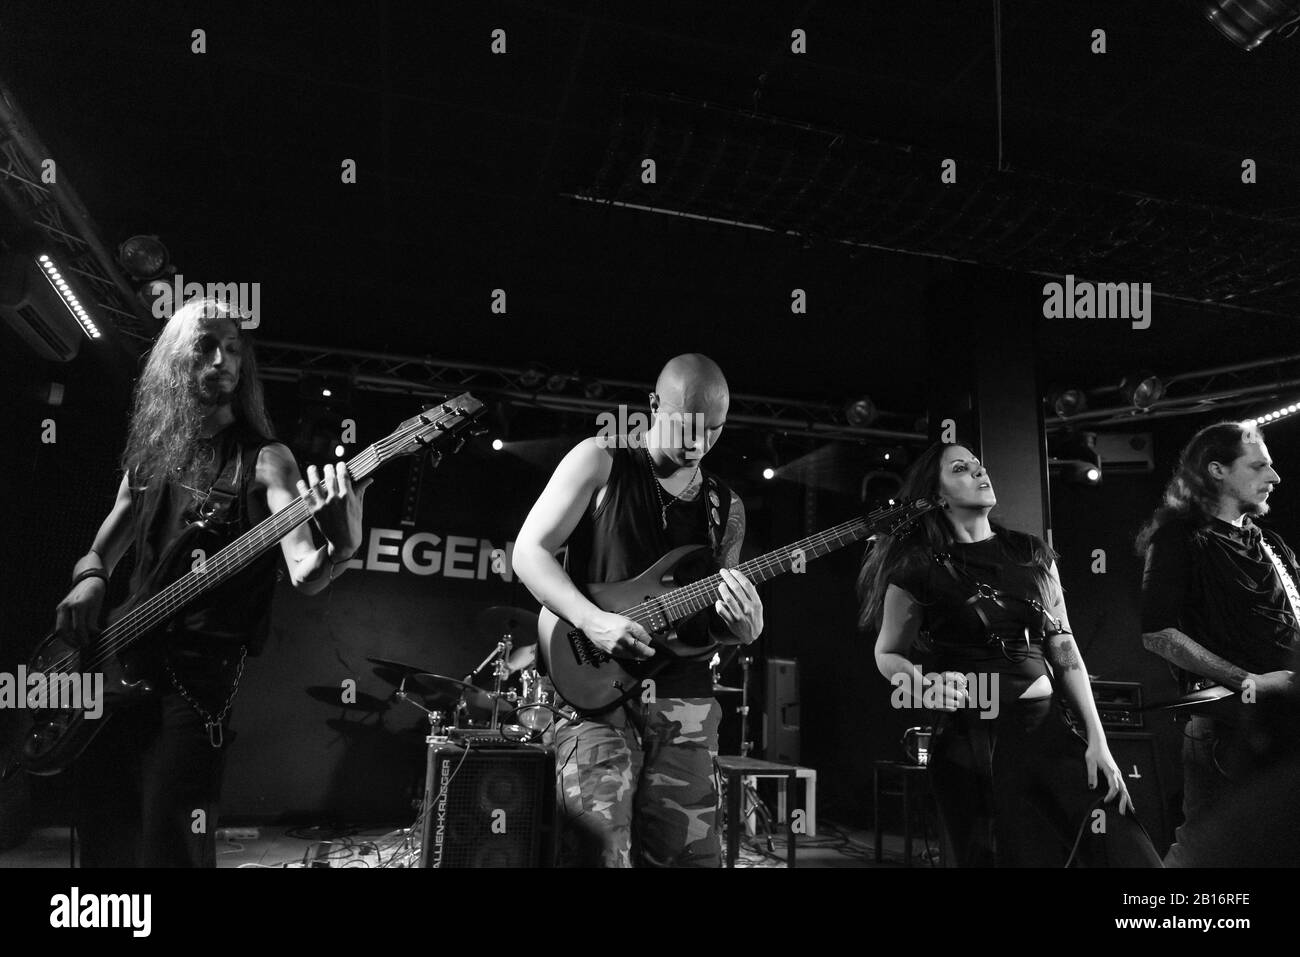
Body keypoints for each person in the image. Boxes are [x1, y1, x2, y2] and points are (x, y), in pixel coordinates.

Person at [54, 297, 369, 867]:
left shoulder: (268, 461)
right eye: (207, 346)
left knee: (172, 841)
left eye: (233, 349)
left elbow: (306, 573)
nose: (223, 359)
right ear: (176, 358)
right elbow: (106, 544)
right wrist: (91, 578)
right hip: (117, 661)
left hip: (196, 682)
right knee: (105, 834)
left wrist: (343, 545)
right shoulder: (151, 454)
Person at [511, 354, 763, 867]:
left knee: (690, 858)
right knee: (598, 854)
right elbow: (528, 552)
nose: (698, 443)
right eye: (687, 426)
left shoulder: (725, 505)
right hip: (595, 696)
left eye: (714, 431)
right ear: (653, 406)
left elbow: (715, 617)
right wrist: (592, 620)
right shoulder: (600, 458)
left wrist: (742, 629)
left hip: (686, 705)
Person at [859, 440, 1159, 866]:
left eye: (979, 466)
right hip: (974, 741)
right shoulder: (917, 566)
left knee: (1126, 852)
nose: (980, 473)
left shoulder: (1031, 552)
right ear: (937, 493)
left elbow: (1064, 645)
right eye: (961, 469)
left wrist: (1098, 739)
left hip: (1050, 732)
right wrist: (921, 684)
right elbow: (888, 652)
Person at [1137, 421, 1300, 867]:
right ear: (1217, 471)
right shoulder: (1179, 539)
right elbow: (1158, 635)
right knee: (1206, 854)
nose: (1275, 477)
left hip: (1283, 728)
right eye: (1259, 466)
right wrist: (1249, 680)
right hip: (1227, 731)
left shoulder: (1272, 545)